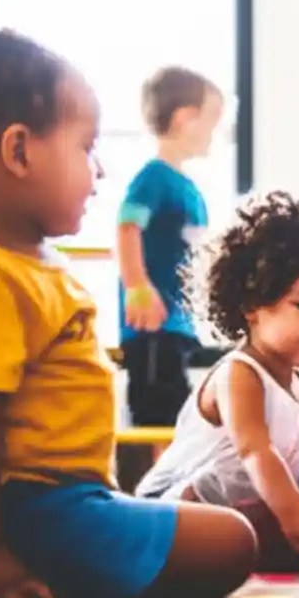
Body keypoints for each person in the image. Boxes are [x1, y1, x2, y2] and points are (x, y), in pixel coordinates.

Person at [0, 28, 256, 598]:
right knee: (235, 542)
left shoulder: (30, 266)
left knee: (212, 529)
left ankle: (86, 558)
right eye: (85, 147)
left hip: (40, 509)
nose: (98, 172)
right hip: (19, 517)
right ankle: (58, 571)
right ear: (19, 152)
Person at [135, 190, 299, 571]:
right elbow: (255, 451)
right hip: (167, 513)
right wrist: (294, 514)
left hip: (240, 511)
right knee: (258, 476)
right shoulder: (239, 374)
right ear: (251, 307)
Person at [117, 66, 224, 428]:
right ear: (184, 119)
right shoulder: (154, 178)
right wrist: (136, 285)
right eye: (211, 120)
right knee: (156, 416)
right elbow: (127, 225)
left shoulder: (186, 187)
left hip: (177, 326)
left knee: (178, 412)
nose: (215, 132)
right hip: (152, 327)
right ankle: (154, 485)